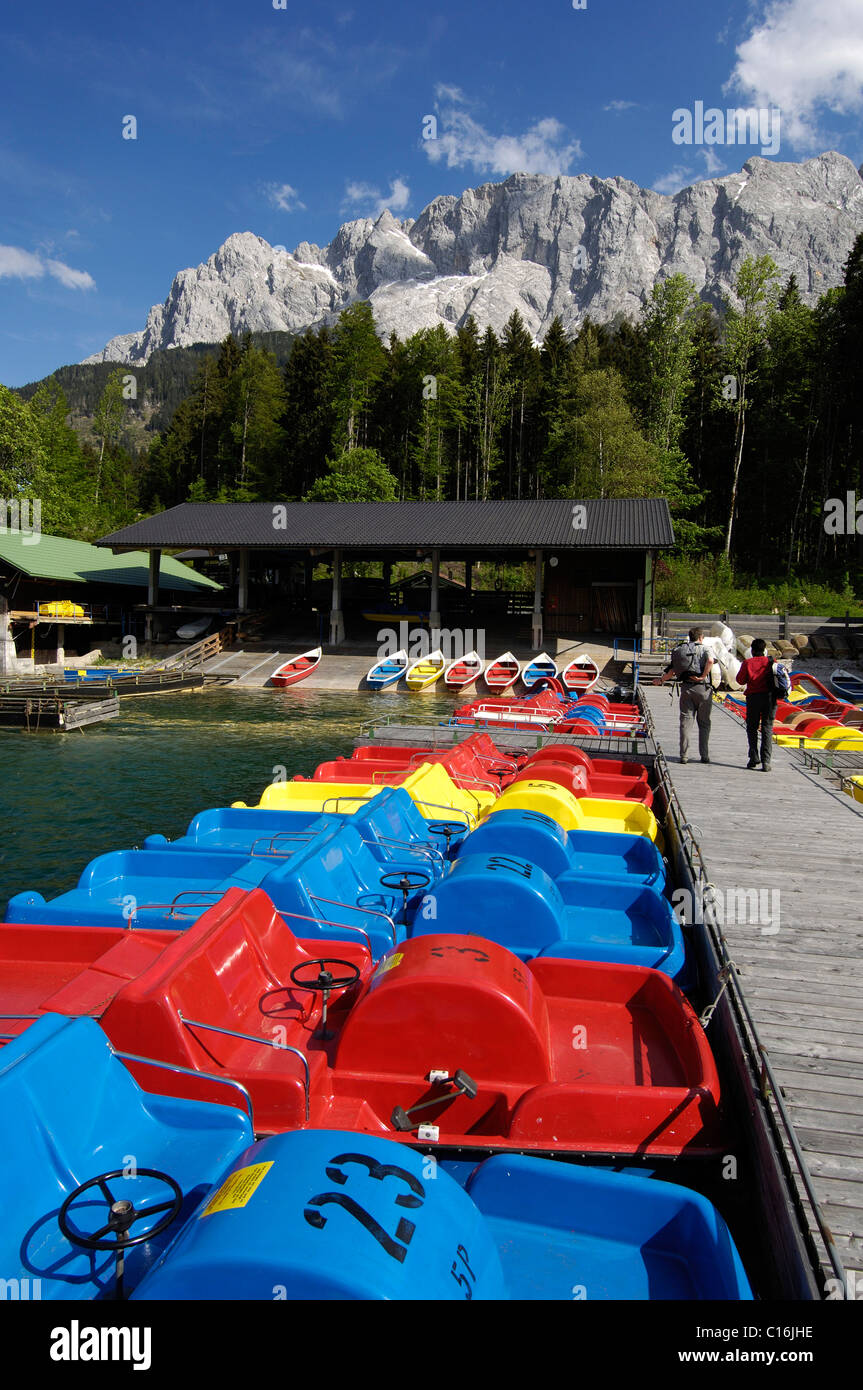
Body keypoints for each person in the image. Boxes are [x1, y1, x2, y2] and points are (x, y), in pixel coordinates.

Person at [658, 628, 715, 764]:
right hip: (703, 689)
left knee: (685, 723)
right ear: (701, 637)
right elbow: (711, 661)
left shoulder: (679, 650)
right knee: (704, 723)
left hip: (686, 689)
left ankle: (684, 755)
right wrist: (703, 676)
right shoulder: (705, 649)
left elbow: (671, 671)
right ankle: (704, 755)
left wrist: (660, 680)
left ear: (689, 637)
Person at [736, 638, 777, 771]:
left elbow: (740, 680)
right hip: (770, 698)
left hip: (753, 698)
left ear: (752, 651)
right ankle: (766, 761)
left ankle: (753, 757)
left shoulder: (748, 663)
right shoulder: (771, 662)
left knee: (752, 728)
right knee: (767, 727)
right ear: (764, 650)